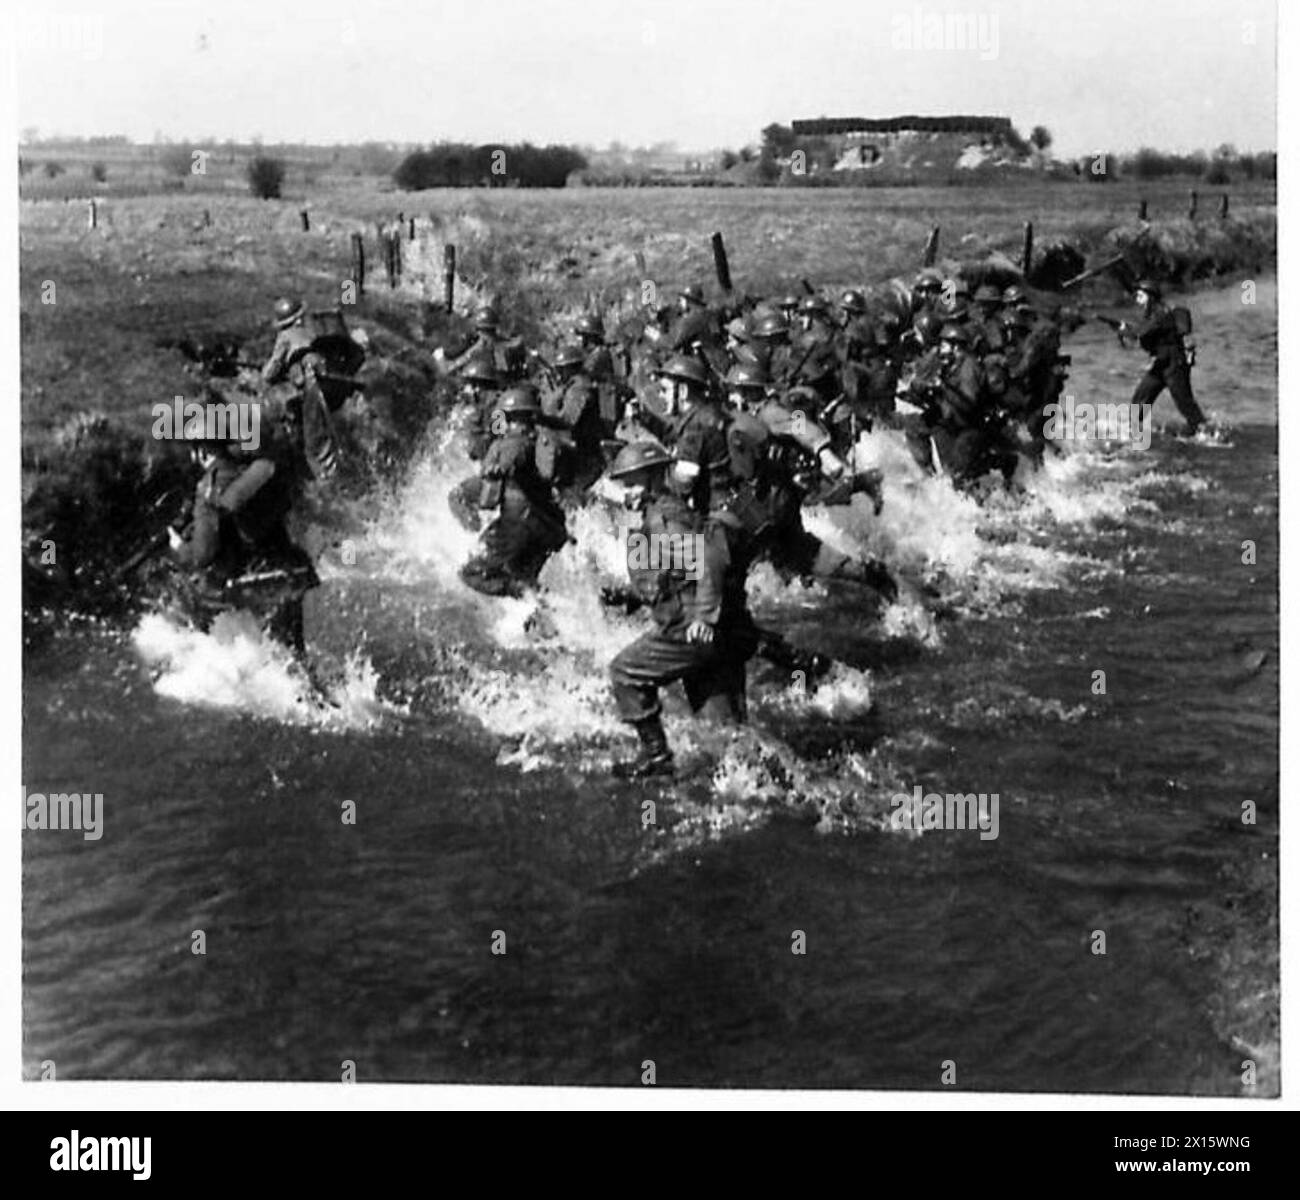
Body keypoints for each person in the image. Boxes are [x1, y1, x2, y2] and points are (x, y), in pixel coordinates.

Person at [604, 441, 760, 780]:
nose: (626, 492)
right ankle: (778, 789)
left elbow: (706, 562)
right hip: (712, 631)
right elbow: (667, 573)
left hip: (689, 628)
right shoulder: (661, 513)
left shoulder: (662, 519)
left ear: (653, 478)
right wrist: (631, 597)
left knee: (625, 672)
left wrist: (703, 617)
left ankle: (656, 756)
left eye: (632, 482)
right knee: (728, 742)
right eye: (624, 484)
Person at [169, 414, 318, 653]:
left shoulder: (209, 489)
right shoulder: (252, 470)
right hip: (290, 570)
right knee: (294, 650)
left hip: (253, 585)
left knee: (269, 654)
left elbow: (202, 554)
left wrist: (179, 547)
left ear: (200, 450)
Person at [459, 385, 569, 598]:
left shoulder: (515, 440)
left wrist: (499, 469)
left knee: (471, 571)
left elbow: (513, 455)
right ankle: (547, 612)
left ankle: (525, 594)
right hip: (546, 527)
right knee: (521, 574)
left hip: (518, 523)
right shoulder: (544, 439)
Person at [1117, 279, 1205, 437]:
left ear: (1150, 296)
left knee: (1184, 403)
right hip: (1160, 364)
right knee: (1140, 399)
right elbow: (1143, 332)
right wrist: (1126, 330)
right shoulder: (1152, 313)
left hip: (1174, 364)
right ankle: (1133, 433)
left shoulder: (1160, 313)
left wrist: (1126, 331)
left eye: (1140, 295)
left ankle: (1204, 431)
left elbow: (1143, 332)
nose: (1137, 299)